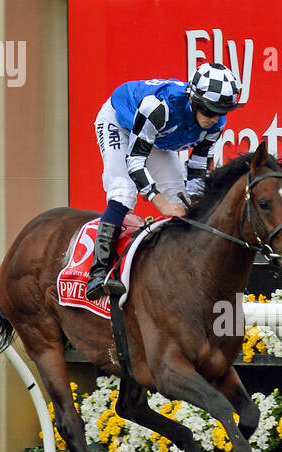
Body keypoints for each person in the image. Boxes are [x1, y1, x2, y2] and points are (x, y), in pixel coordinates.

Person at [85, 62, 243, 301]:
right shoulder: (159, 107)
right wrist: (162, 205)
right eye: (210, 110)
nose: (216, 118)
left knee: (181, 197)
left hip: (154, 135)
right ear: (194, 101)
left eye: (222, 112)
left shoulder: (217, 125)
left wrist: (192, 205)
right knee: (123, 192)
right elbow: (135, 161)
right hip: (120, 122)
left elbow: (198, 168)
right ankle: (97, 273)